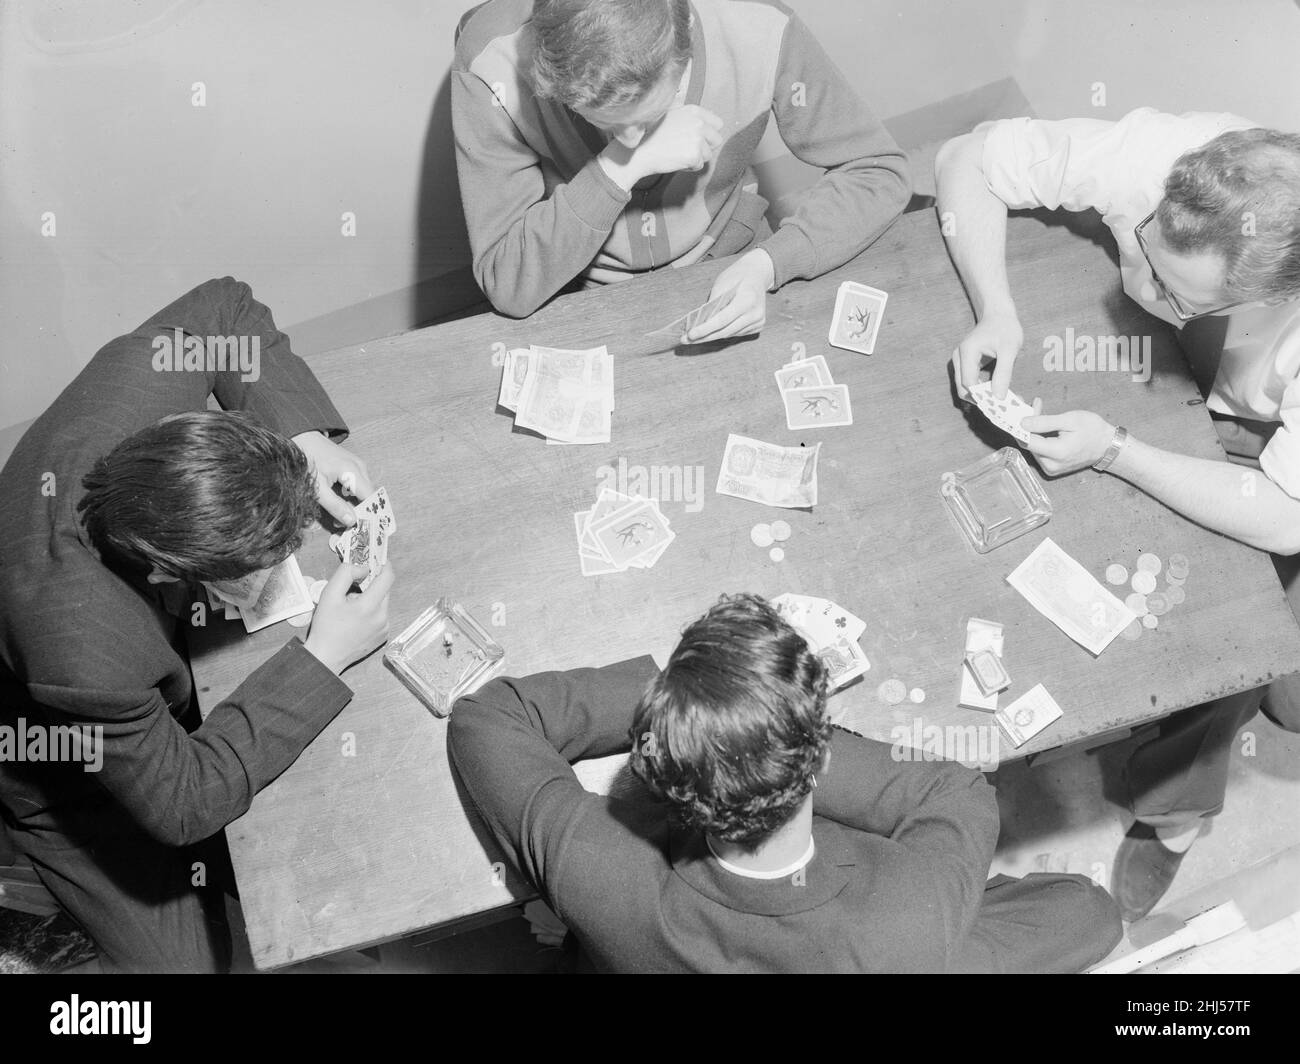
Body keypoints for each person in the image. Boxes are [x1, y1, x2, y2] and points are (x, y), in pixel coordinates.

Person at [934, 107, 1300, 920]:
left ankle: (1175, 814)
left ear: (1278, 293)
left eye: (1173, 290)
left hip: (1273, 453)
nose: (1136, 281)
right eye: (1144, 245)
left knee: (1229, 644)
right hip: (1179, 382)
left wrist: (1116, 451)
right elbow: (966, 158)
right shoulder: (1175, 160)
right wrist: (996, 310)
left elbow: (1283, 518)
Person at [0, 277, 394, 972]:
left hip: (142, 680)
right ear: (167, 572)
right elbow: (183, 799)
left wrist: (303, 443)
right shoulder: (83, 653)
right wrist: (324, 655)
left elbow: (225, 310)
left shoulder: (129, 399)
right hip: (58, 768)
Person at [449, 593, 1121, 972]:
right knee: (1092, 911)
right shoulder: (918, 910)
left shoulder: (595, 873)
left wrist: (697, 709)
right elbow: (959, 794)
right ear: (814, 752)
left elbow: (485, 719)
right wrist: (768, 733)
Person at [451, 0, 910, 337]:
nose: (630, 141)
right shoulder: (489, 58)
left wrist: (769, 264)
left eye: (648, 117)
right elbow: (507, 280)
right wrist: (619, 167)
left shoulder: (759, 25)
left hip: (735, 258)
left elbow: (877, 171)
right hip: (568, 285)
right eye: (603, 123)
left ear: (687, 25)